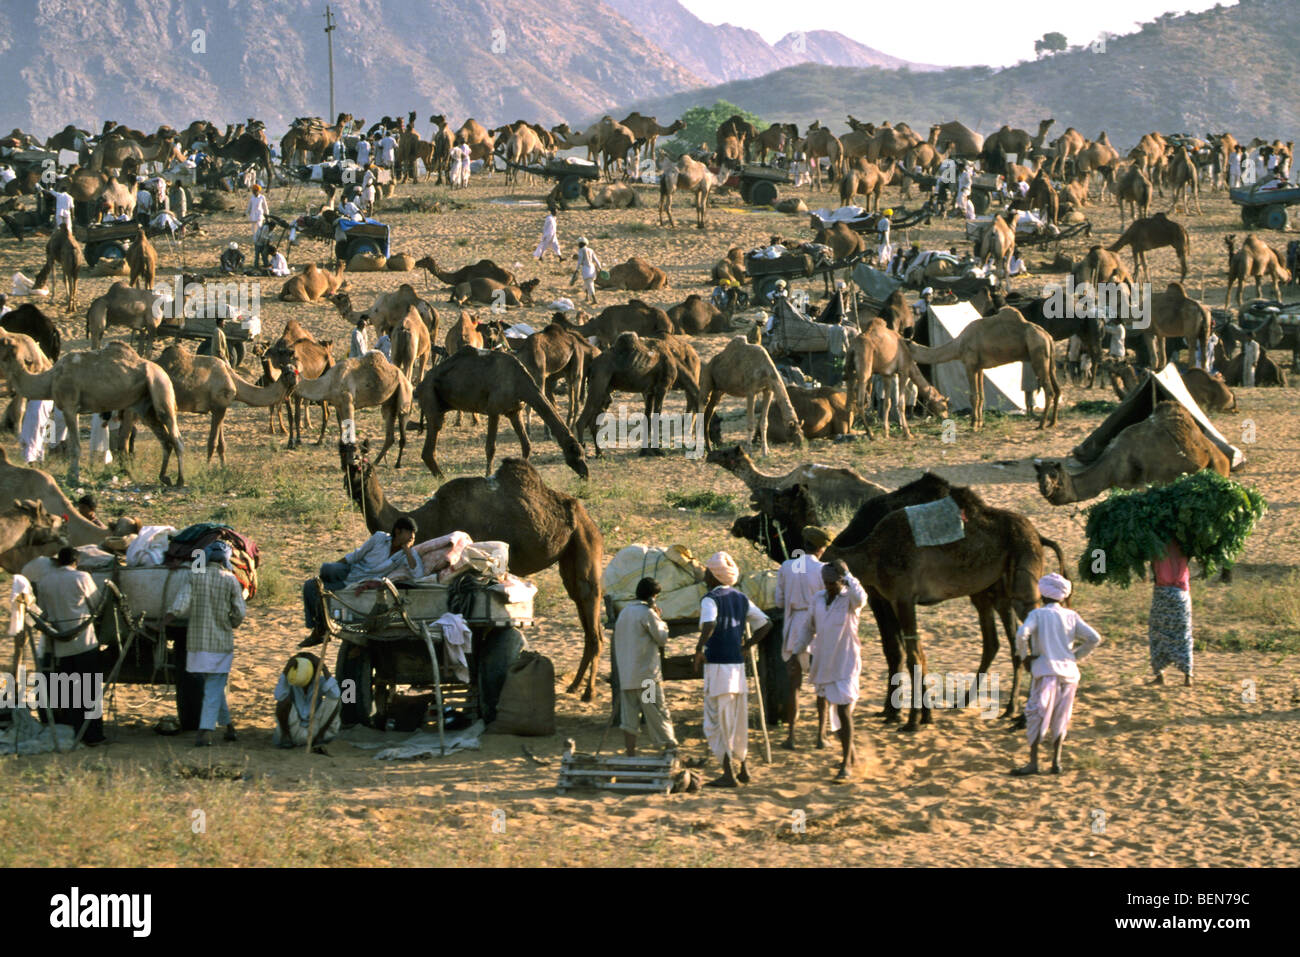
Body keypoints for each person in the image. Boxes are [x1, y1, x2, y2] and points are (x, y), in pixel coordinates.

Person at [693, 551, 772, 788]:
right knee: (737, 720)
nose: (705, 575)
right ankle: (744, 769)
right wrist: (748, 645)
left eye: (707, 571)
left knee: (716, 723)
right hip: (737, 667)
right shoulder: (741, 598)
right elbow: (765, 623)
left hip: (718, 666)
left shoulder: (709, 599)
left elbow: (709, 623)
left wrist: (699, 649)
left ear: (715, 575)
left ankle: (729, 774)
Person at [1012, 573, 1102, 775]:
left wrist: (1025, 656)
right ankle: (1056, 762)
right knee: (1062, 717)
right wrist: (1074, 656)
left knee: (1037, 715)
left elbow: (1021, 634)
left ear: (1042, 594)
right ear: (1062, 596)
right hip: (1069, 675)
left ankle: (1034, 763)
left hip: (1045, 672)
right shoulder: (1071, 616)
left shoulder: (1037, 615)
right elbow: (1094, 638)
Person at [163, 542, 246, 747]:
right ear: (225, 560)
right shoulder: (230, 580)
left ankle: (228, 728)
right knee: (213, 687)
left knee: (212, 686)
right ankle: (205, 731)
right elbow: (239, 613)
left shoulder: (195, 576)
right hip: (220, 643)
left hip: (197, 644)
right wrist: (230, 623)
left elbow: (181, 605)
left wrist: (163, 622)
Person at [301, 517, 422, 645]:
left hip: (358, 580)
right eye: (409, 532)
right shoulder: (379, 537)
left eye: (414, 533)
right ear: (398, 531)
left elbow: (418, 574)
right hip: (351, 569)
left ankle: (318, 630)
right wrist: (335, 567)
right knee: (326, 570)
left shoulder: (407, 555)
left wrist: (407, 550)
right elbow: (357, 555)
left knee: (310, 586)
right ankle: (316, 625)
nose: (412, 537)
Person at [37, 547, 107, 745]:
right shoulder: (82, 577)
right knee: (90, 690)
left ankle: (76, 732)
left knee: (71, 691)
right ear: (76, 561)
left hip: (60, 645)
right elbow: (95, 605)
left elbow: (43, 612)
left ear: (59, 561)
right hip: (84, 642)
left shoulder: (45, 581)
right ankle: (93, 735)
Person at [809, 560, 867, 780]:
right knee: (836, 712)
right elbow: (810, 626)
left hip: (846, 662)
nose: (828, 586)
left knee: (843, 710)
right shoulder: (818, 599)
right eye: (825, 582)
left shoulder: (850, 600)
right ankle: (851, 756)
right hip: (825, 662)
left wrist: (848, 573)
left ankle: (846, 765)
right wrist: (797, 651)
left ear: (841, 581)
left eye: (832, 582)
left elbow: (861, 597)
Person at [775, 527, 828, 750]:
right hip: (817, 628)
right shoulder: (824, 569)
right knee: (822, 687)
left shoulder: (787, 566)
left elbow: (778, 601)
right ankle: (820, 736)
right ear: (821, 548)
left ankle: (791, 736)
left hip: (794, 627)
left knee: (793, 685)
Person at [613, 577, 678, 756]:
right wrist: (659, 618)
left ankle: (630, 754)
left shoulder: (624, 612)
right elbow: (662, 638)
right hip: (646, 680)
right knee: (656, 712)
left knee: (629, 718)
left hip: (627, 679)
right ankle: (669, 749)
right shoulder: (647, 613)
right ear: (653, 597)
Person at [273, 653, 342, 749]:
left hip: (317, 729)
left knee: (334, 702)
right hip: (294, 729)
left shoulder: (320, 681)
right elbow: (279, 695)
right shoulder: (292, 681)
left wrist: (324, 668)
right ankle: (286, 737)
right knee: (283, 701)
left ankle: (320, 737)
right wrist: (286, 669)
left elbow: (335, 695)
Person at [1149, 539, 1193, 687]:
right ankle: (1188, 676)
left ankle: (1159, 675)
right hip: (1182, 594)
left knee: (1158, 633)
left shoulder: (1155, 543)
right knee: (1183, 634)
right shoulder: (1186, 543)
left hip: (1162, 592)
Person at [571, 237, 601, 305]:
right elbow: (596, 260)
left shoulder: (581, 250)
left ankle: (594, 299)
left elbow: (580, 261)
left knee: (589, 284)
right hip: (592, 268)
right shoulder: (590, 250)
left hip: (586, 269)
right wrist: (600, 267)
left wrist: (577, 269)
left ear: (580, 244)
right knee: (587, 283)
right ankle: (587, 297)